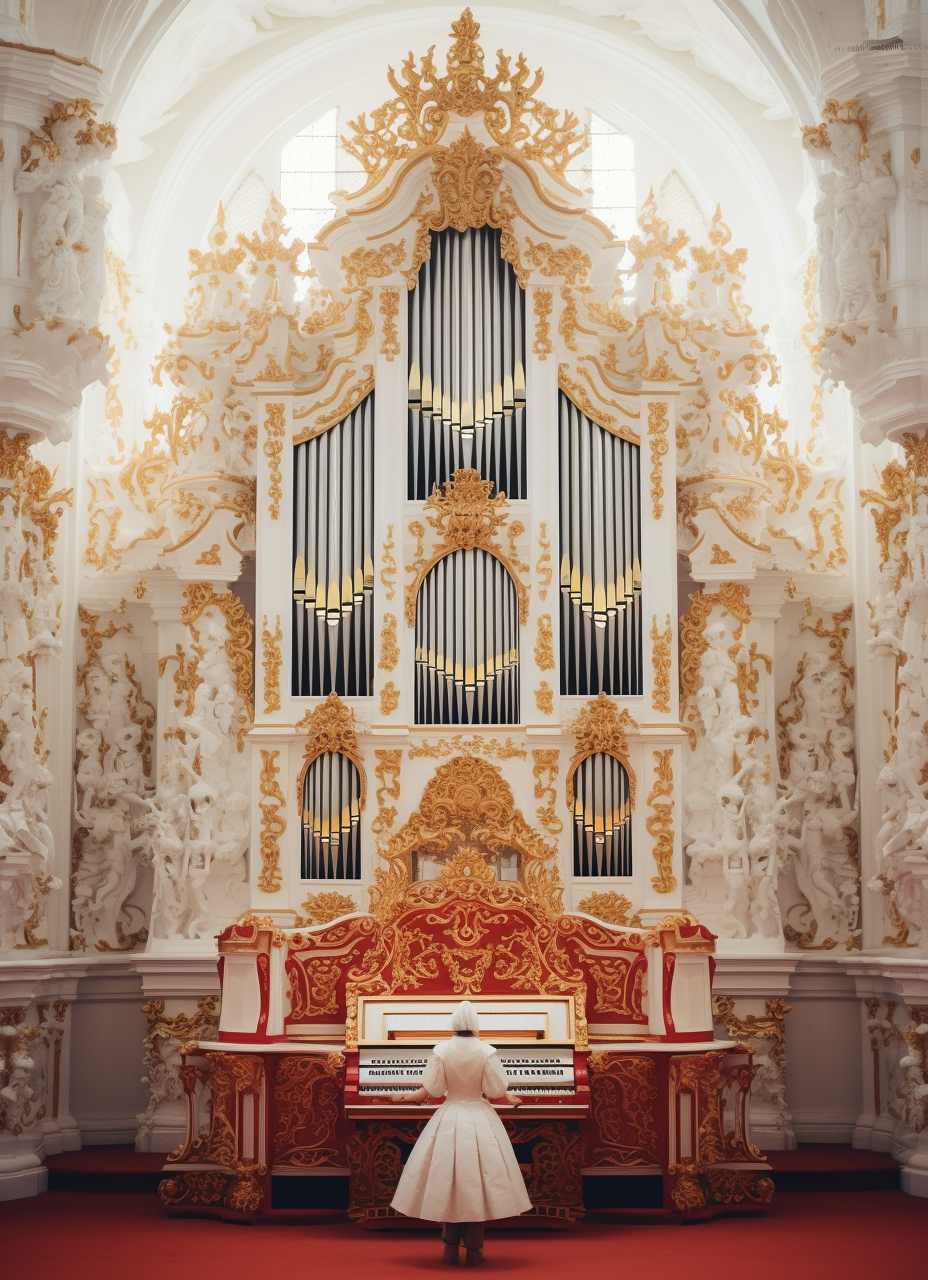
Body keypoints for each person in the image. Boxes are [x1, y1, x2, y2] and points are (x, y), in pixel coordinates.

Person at [385, 1000, 532, 1266]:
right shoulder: (487, 1051)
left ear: (453, 1024)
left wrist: (405, 1098)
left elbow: (432, 1089)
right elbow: (497, 1091)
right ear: (475, 1024)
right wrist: (511, 1098)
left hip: (450, 1117)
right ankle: (475, 1252)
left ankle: (449, 1249)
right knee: (478, 1185)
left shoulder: (442, 1050)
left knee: (448, 1185)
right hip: (480, 1117)